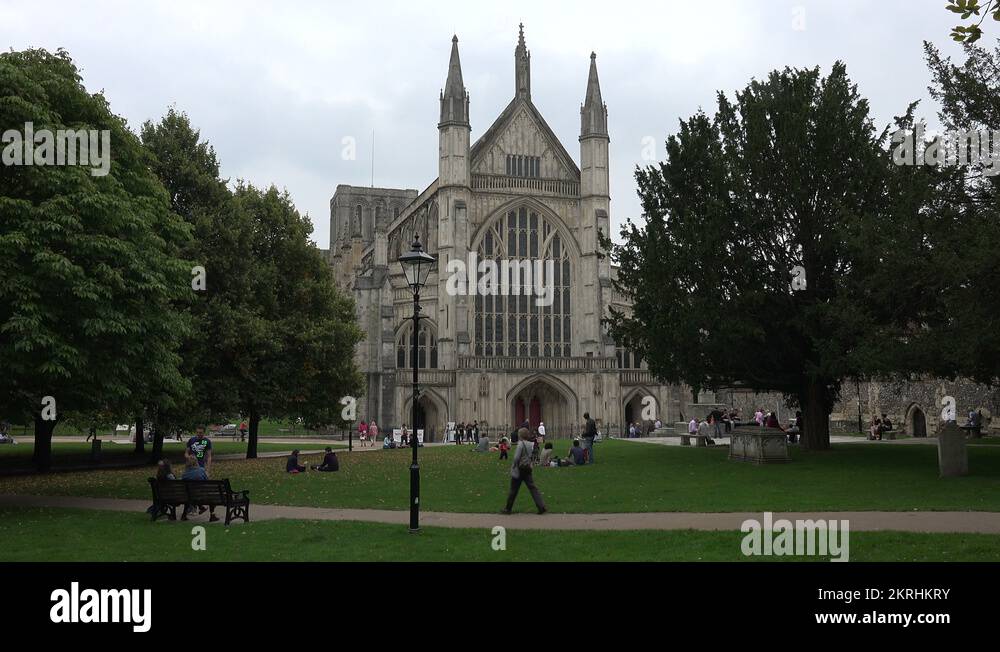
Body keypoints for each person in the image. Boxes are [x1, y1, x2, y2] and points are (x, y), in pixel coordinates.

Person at [501, 428, 547, 515]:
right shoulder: (531, 444)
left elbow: (516, 458)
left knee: (513, 489)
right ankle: (541, 506)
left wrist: (513, 466)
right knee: (533, 488)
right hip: (527, 468)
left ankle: (508, 508)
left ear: (520, 435)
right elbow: (533, 455)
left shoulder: (520, 444)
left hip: (519, 469)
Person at [180, 456, 218, 522]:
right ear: (196, 462)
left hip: (188, 497)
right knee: (212, 496)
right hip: (202, 496)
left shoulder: (184, 474)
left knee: (190, 494)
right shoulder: (201, 470)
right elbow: (207, 482)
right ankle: (212, 515)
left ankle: (184, 515)